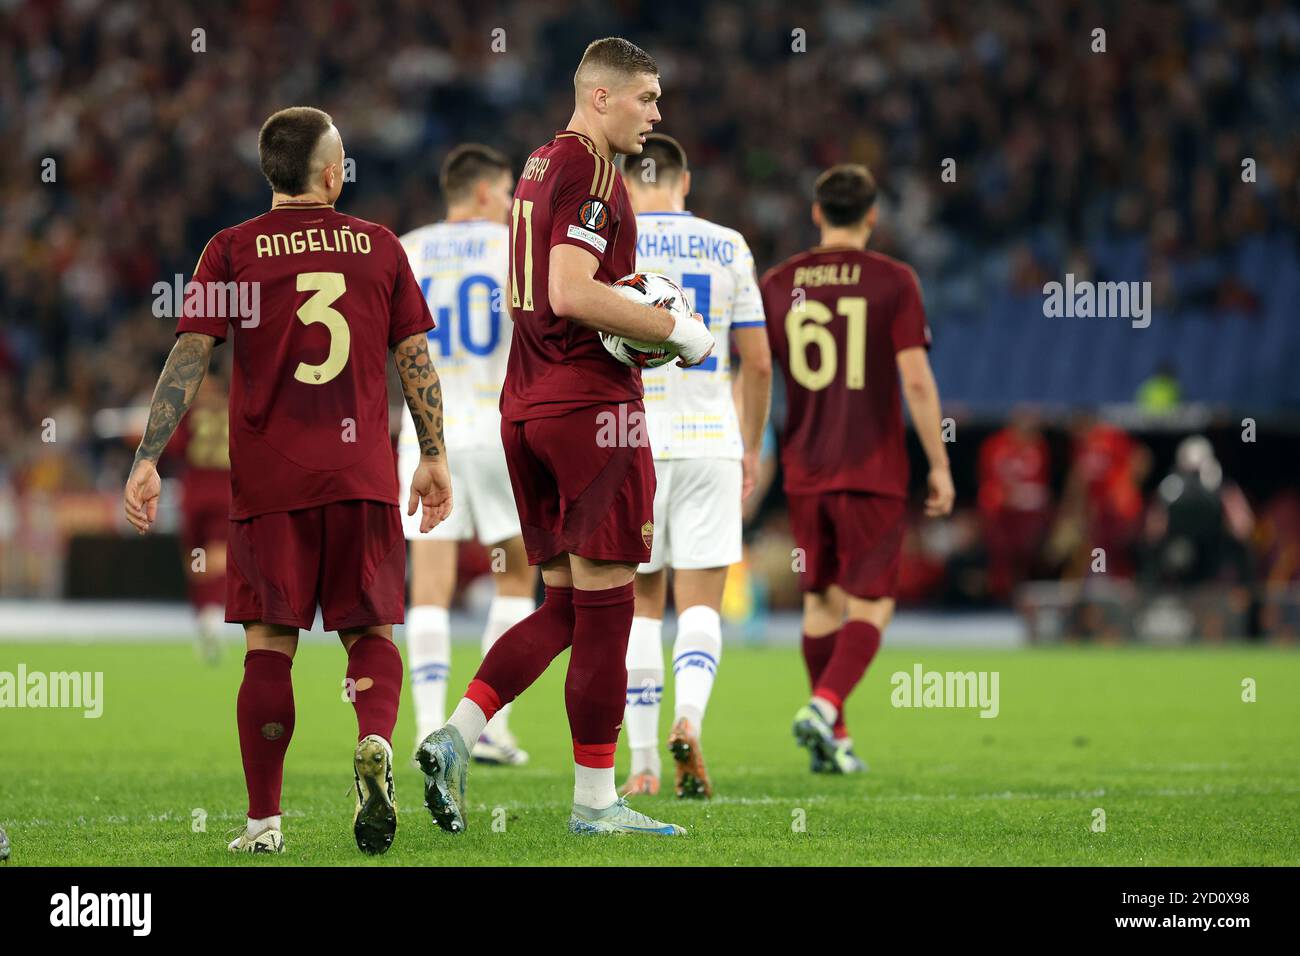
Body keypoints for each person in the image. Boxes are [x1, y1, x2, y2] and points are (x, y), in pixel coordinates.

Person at [122, 107, 452, 855]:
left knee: (269, 646)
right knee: (370, 631)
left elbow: (190, 357)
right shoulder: (378, 247)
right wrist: (432, 453)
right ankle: (373, 741)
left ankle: (265, 823)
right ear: (332, 173)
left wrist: (147, 455)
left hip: (270, 482)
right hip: (362, 473)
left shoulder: (232, 251)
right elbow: (416, 364)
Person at [416, 37, 715, 838]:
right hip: (592, 413)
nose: (657, 114)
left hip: (526, 406)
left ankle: (459, 731)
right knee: (611, 614)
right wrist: (674, 329)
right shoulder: (592, 173)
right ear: (602, 96)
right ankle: (595, 803)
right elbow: (570, 289)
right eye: (647, 99)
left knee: (567, 606)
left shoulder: (539, 165)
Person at [760, 164, 954, 773]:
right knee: (871, 604)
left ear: (817, 213)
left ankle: (833, 736)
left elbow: (757, 373)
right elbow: (917, 381)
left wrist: (753, 452)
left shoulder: (778, 282)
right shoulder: (895, 281)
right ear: (873, 216)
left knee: (821, 601)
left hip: (805, 465)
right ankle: (824, 704)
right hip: (871, 467)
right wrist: (941, 465)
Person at [616, 132, 772, 799]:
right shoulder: (728, 243)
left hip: (631, 440)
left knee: (641, 605)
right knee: (702, 601)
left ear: (623, 183)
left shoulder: (610, 243)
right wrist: (752, 446)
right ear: (686, 183)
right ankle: (692, 720)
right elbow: (759, 361)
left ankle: (645, 765)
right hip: (710, 437)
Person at [396, 144, 537, 765]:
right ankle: (486, 729)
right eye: (505, 191)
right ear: (483, 193)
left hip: (428, 433)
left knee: (429, 583)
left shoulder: (408, 248)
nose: (510, 202)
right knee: (515, 575)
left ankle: (429, 727)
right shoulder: (514, 247)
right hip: (500, 427)